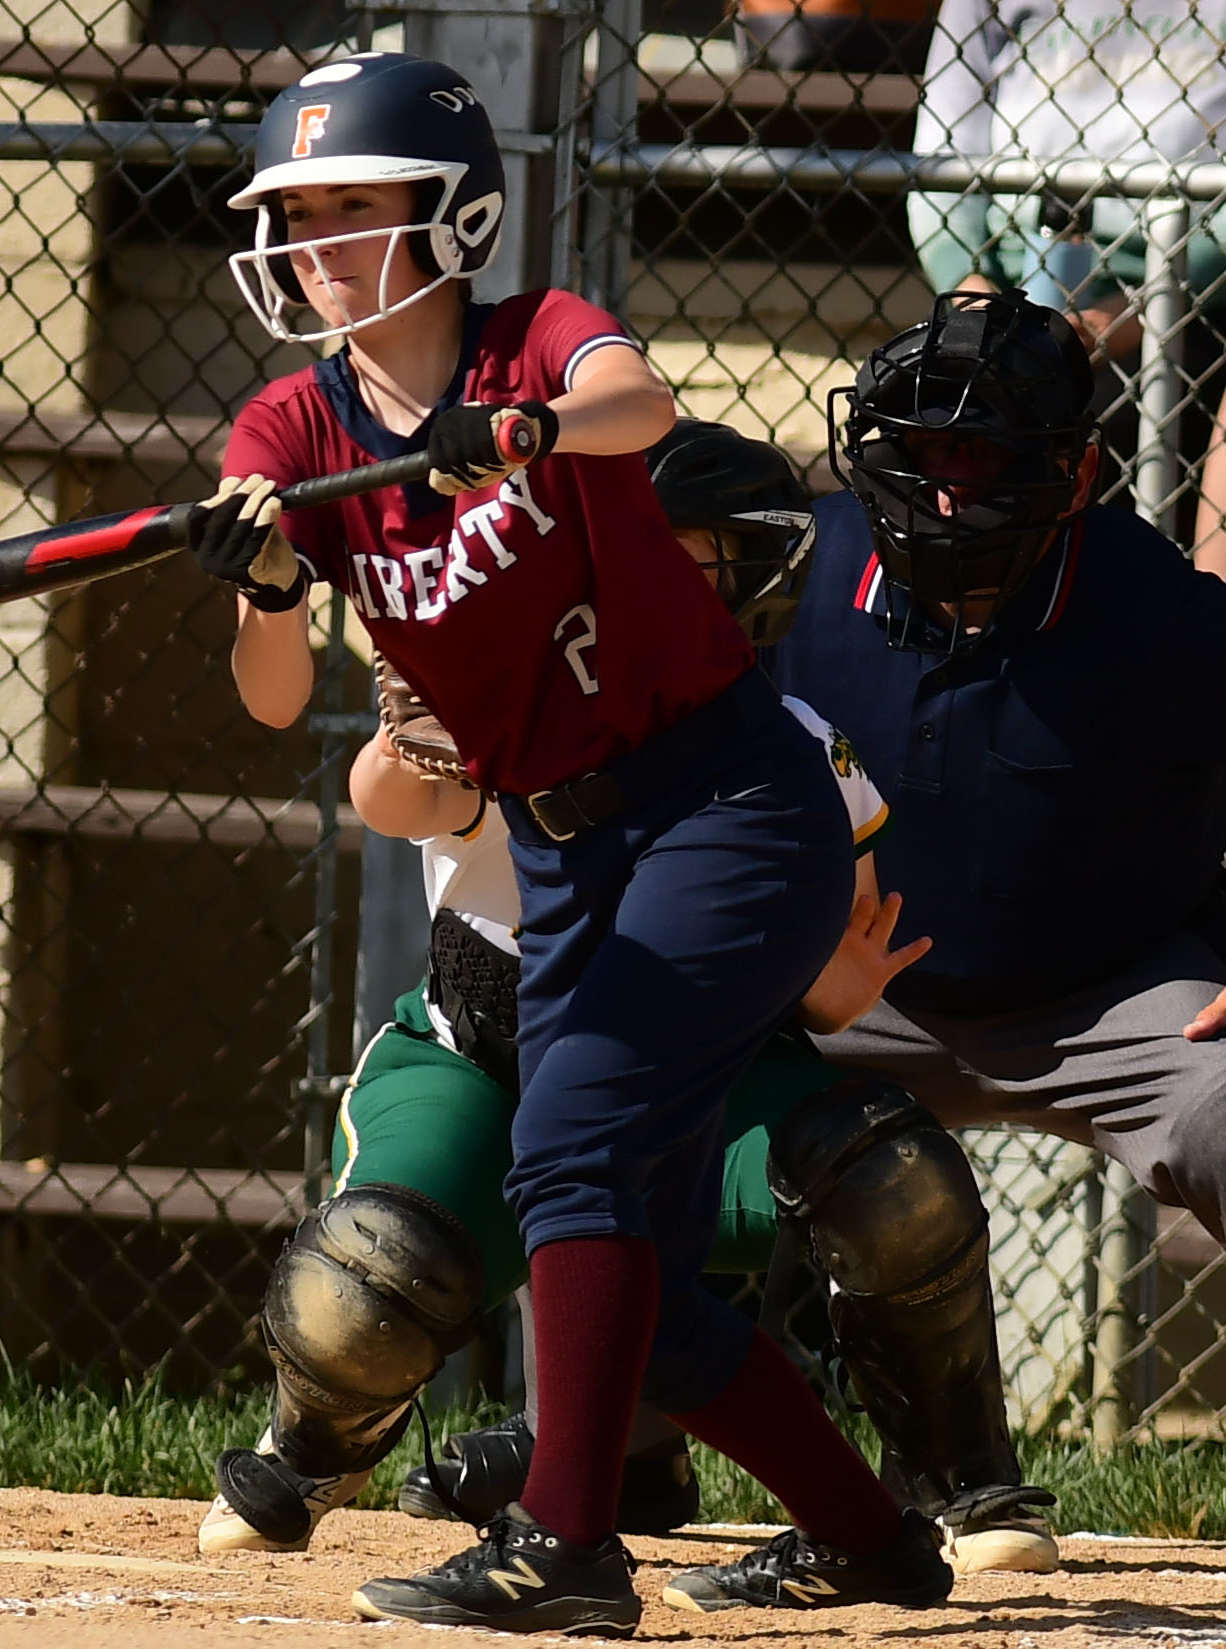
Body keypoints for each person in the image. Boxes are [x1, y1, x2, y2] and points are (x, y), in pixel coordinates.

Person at [189, 55, 951, 1629]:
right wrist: (263, 573)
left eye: (352, 206)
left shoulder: (526, 336)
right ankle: (871, 1539)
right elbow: (272, 702)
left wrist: (516, 430)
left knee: (571, 1149)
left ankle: (565, 1544)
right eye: (294, 213)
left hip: (722, 804)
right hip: (564, 852)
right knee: (641, 1292)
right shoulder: (298, 418)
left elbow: (637, 400)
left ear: (445, 214)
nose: (316, 239)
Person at [198, 419, 1056, 1582]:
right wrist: (434, 734)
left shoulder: (784, 751)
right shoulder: (511, 725)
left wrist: (828, 984)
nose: (618, 589)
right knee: (369, 1277)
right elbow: (384, 789)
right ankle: (315, 1448)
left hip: (682, 1078)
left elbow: (826, 973)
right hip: (483, 1056)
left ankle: (926, 1495)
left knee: (880, 1179)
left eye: (665, 559)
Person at [767, 291, 1226, 1403]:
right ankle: (616, 1450)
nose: (942, 483)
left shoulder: (1156, 610)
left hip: (1104, 999)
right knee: (623, 1076)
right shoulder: (791, 575)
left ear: (1072, 474)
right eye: (921, 446)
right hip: (843, 987)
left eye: (978, 452)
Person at [908, 0, 1226, 573]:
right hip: (1002, 286)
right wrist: (976, 304)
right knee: (932, 420)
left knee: (1084, 434)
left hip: (1181, 292)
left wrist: (1129, 315)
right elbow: (939, 171)